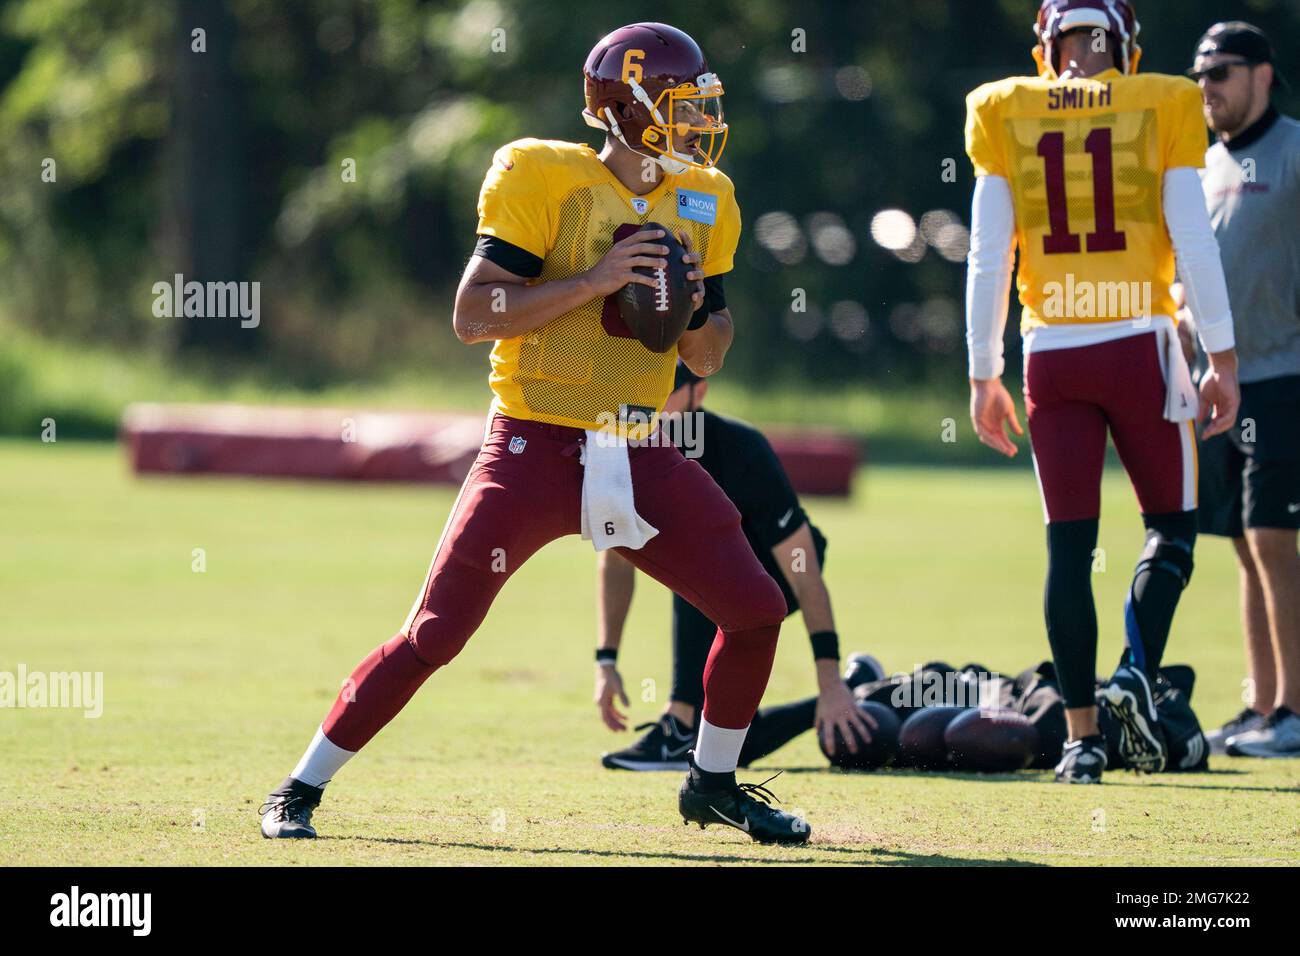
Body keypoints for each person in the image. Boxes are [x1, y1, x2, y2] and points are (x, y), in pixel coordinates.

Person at [258, 22, 811, 845]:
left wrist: (693, 307)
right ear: (625, 106)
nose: (696, 119)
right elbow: (471, 315)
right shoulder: (545, 175)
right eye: (678, 101)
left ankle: (714, 784)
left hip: (636, 442)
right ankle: (298, 788)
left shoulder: (706, 197)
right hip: (533, 443)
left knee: (758, 607)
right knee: (435, 634)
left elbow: (711, 348)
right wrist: (595, 281)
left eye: (700, 103)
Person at [963, 0, 1239, 784]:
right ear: (1125, 46)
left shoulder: (1004, 108)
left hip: (1052, 350)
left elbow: (989, 256)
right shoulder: (1162, 102)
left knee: (1069, 547)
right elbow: (1193, 238)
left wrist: (984, 371)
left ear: (1045, 48)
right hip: (1138, 345)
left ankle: (1083, 741)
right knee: (1173, 533)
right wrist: (1221, 357)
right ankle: (1132, 675)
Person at [594, 362, 880, 770]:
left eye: (666, 388)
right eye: (643, 385)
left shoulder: (742, 450)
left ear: (700, 393)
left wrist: (828, 678)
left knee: (698, 563)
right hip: (713, 576)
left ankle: (679, 724)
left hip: (774, 575)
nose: (651, 402)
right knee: (724, 746)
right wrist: (606, 661)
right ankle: (858, 686)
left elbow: (804, 572)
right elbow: (616, 558)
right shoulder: (626, 448)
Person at [1182, 22, 1300, 758]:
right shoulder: (1199, 168)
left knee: (1272, 540)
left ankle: (1294, 710)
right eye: (1199, 76)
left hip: (1286, 374)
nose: (1208, 88)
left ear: (1262, 74)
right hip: (1224, 385)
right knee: (1242, 547)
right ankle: (1262, 706)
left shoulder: (1293, 151)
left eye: (1222, 72)